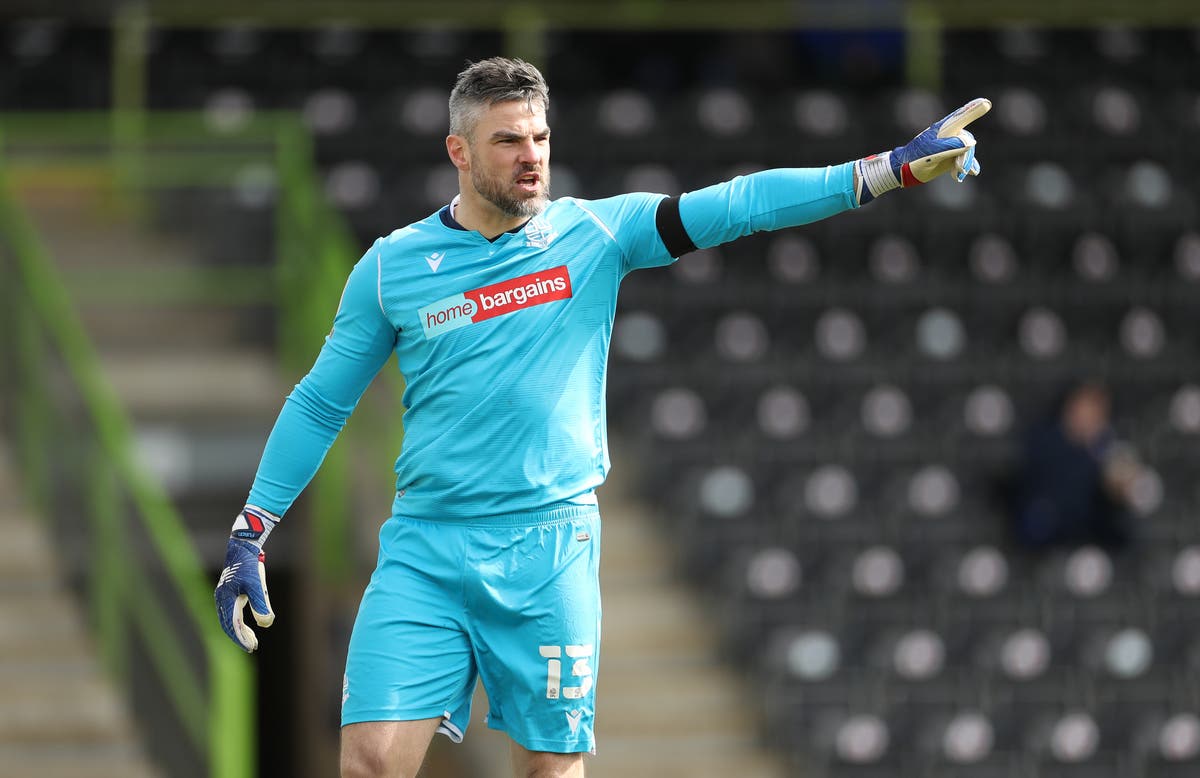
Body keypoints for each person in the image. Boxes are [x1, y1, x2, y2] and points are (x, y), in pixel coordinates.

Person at [213, 57, 990, 777]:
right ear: (458, 151)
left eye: (541, 137)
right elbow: (320, 400)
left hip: (548, 546)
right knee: (372, 762)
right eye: (508, 139)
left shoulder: (594, 235)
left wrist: (885, 170)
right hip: (426, 547)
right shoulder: (392, 267)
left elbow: (740, 206)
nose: (532, 155)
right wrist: (255, 528)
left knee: (549, 770)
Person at [1011, 380, 1144, 551]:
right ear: (1070, 406)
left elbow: (1120, 485)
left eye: (1099, 409)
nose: (1091, 414)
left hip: (1091, 536)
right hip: (1046, 535)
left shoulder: (1109, 446)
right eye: (1087, 405)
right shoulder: (1042, 439)